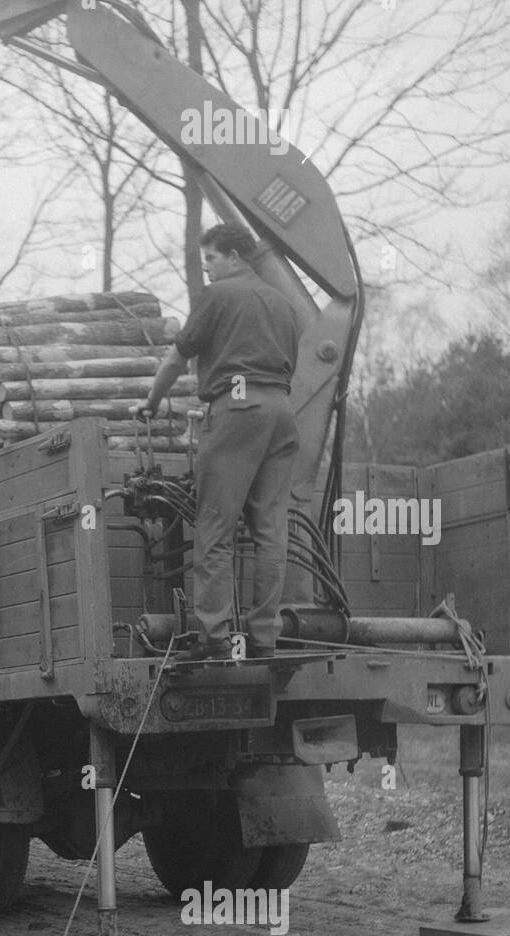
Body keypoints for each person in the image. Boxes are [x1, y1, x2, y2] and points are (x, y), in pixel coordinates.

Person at [139, 224, 301, 663]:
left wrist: (152, 402)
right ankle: (264, 639)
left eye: (211, 258)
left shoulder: (218, 296)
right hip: (281, 411)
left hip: (238, 407)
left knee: (215, 527)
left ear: (235, 256)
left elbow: (177, 358)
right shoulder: (283, 304)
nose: (207, 267)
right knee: (271, 532)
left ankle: (213, 638)